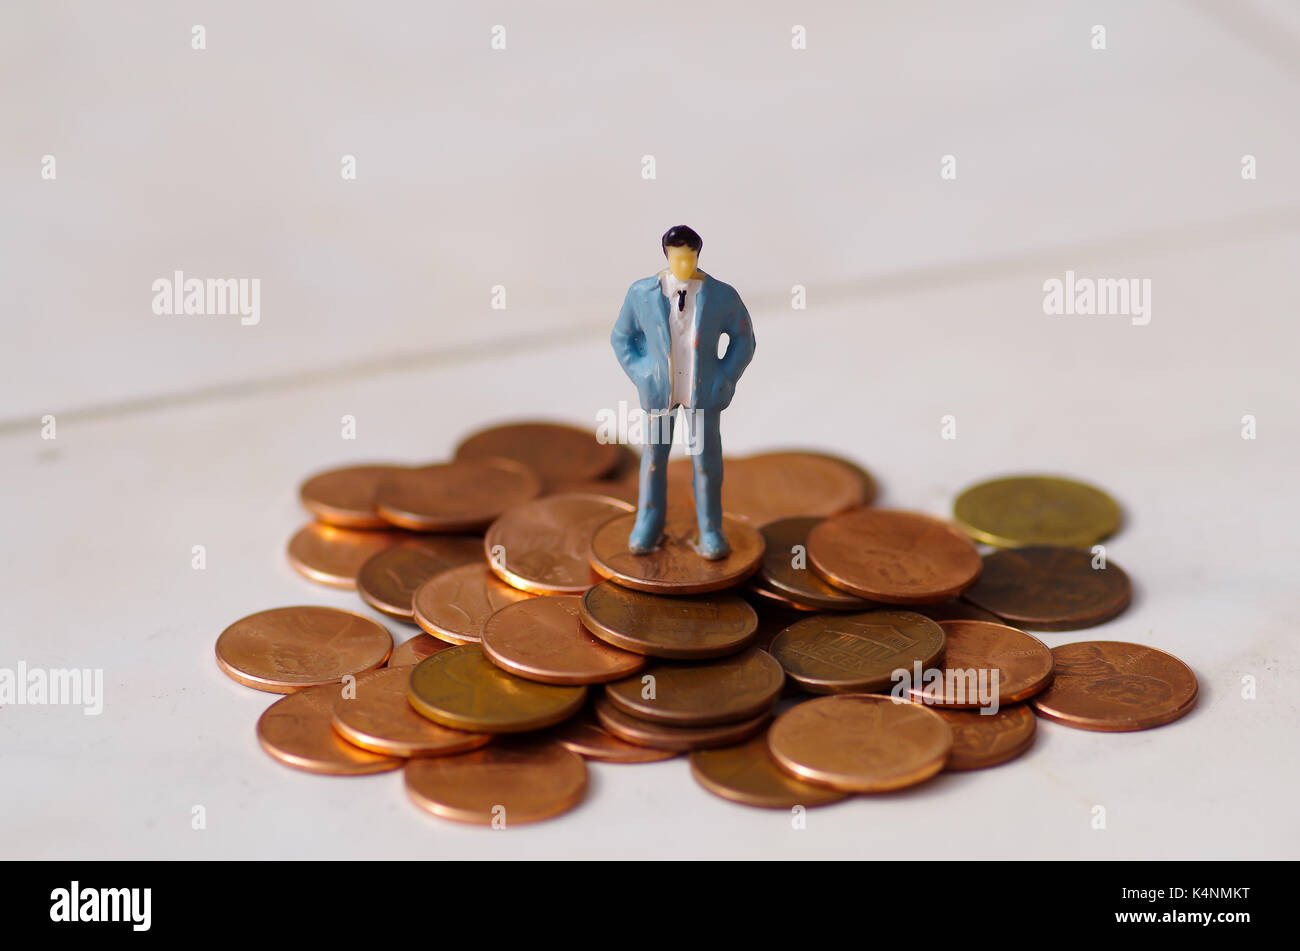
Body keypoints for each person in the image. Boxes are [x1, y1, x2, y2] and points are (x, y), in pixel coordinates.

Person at [610, 226, 756, 559]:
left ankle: (711, 529)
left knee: (705, 463)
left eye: (689, 258)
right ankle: (647, 522)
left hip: (701, 396)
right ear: (666, 255)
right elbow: (622, 337)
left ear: (697, 255)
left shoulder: (720, 294)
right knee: (653, 460)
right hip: (660, 394)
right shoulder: (642, 293)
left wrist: (725, 377)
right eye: (677, 257)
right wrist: (643, 374)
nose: (683, 265)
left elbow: (743, 339)